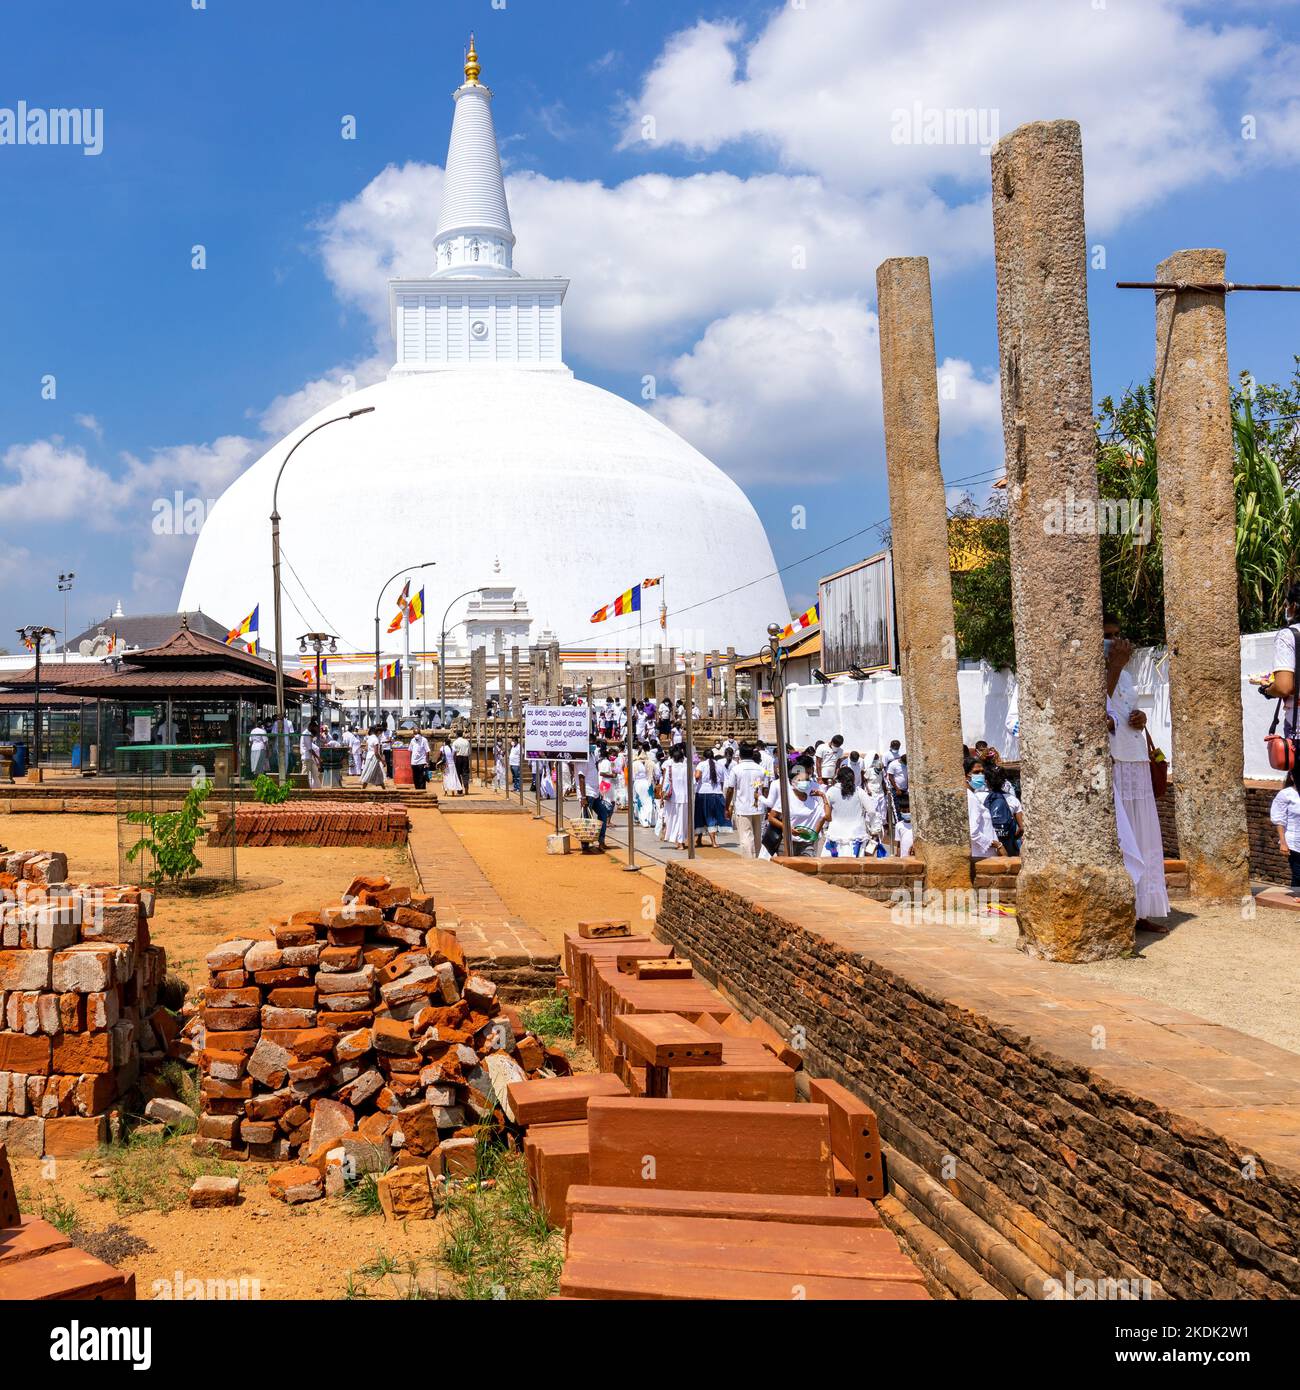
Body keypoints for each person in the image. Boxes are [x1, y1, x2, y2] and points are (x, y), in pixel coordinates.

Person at [1104, 615, 1169, 930]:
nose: (1113, 641)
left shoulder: (1126, 675)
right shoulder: (1096, 670)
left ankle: (1142, 909)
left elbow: (1124, 709)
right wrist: (1113, 665)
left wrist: (1141, 717)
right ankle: (1120, 908)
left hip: (1136, 757)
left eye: (1116, 635)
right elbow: (1094, 713)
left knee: (1143, 834)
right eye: (1107, 635)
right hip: (1113, 761)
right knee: (1122, 834)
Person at [761, 761, 828, 858]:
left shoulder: (813, 798)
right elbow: (772, 818)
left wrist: (814, 835)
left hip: (807, 844)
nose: (804, 783)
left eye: (806, 780)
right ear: (793, 782)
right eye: (801, 780)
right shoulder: (785, 798)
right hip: (787, 842)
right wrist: (788, 828)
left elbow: (824, 816)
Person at [821, 765, 878, 858]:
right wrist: (874, 830)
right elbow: (871, 811)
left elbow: (825, 813)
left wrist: (825, 828)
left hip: (835, 834)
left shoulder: (831, 791)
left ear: (838, 777)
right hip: (857, 836)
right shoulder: (860, 792)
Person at [725, 747, 766, 857]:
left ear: (740, 756)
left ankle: (749, 860)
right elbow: (765, 789)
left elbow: (730, 789)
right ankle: (758, 858)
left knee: (746, 836)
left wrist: (726, 806)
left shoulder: (736, 769)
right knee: (758, 836)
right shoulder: (761, 769)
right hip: (759, 807)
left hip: (743, 807)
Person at [1270, 763, 1300, 893]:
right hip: (1294, 840)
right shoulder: (1286, 794)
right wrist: (1283, 842)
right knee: (1298, 871)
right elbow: (1279, 819)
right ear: (1292, 777)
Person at [577, 740, 612, 851]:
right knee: (586, 819)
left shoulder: (592, 756)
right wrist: (583, 797)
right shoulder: (582, 759)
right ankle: (585, 845)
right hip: (587, 793)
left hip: (594, 793)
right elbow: (581, 778)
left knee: (603, 813)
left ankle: (601, 840)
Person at [982, 764, 1023, 856]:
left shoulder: (979, 798)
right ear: (1004, 781)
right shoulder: (1014, 800)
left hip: (988, 848)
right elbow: (1022, 828)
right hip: (1007, 848)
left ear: (986, 781)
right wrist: (1010, 837)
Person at [694, 746, 729, 848]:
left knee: (701, 816)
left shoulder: (701, 764)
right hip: (717, 793)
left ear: (704, 757)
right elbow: (722, 781)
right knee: (712, 816)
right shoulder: (720, 765)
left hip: (703, 793)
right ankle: (705, 840)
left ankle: (709, 841)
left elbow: (697, 776)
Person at [659, 745, 691, 851]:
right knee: (683, 820)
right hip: (686, 798)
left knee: (673, 820)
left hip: (672, 798)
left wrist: (662, 798)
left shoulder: (670, 768)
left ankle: (679, 841)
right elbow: (693, 783)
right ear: (682, 758)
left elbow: (665, 784)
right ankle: (681, 841)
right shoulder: (688, 768)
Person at [300, 719, 322, 789]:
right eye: (315, 727)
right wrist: (318, 758)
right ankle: (302, 789)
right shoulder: (306, 734)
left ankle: (318, 789)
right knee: (304, 775)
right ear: (311, 726)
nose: (316, 729)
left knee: (315, 774)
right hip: (306, 758)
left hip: (310, 758)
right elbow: (310, 749)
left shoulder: (308, 733)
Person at [452, 729, 471, 796]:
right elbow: (469, 752)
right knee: (465, 773)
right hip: (465, 758)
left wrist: (453, 760)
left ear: (457, 735)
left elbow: (453, 752)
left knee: (458, 774)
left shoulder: (455, 742)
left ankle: (459, 790)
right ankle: (466, 788)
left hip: (458, 758)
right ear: (462, 734)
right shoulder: (466, 742)